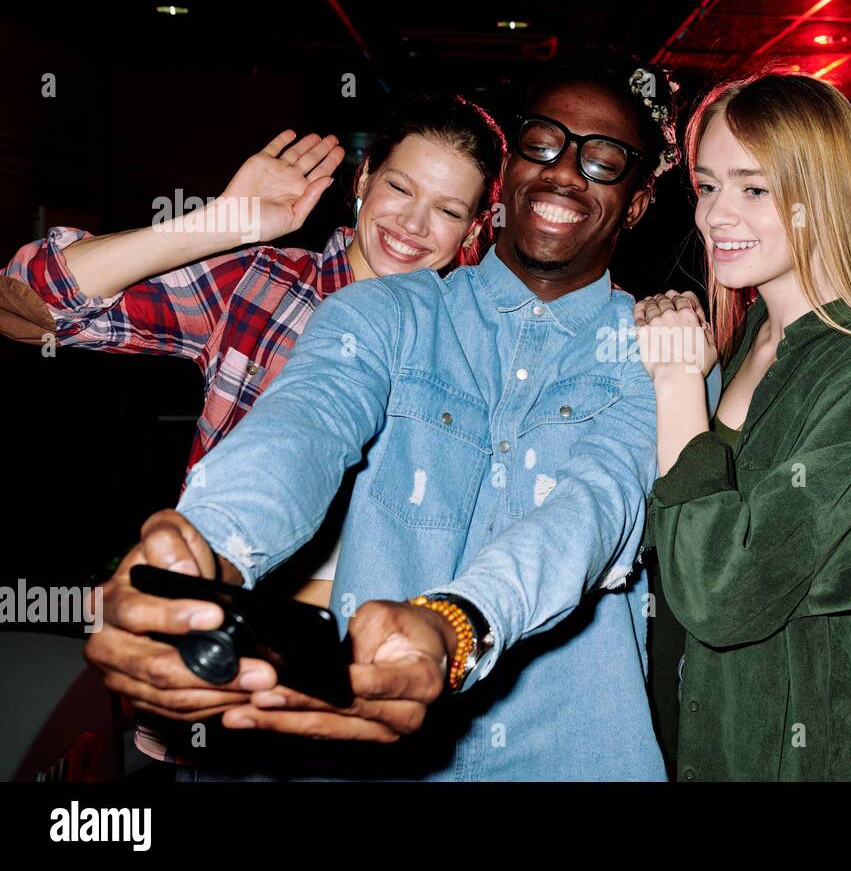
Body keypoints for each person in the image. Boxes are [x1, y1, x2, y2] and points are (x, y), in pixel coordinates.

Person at [83, 50, 723, 781]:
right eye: (543, 143)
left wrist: (454, 626)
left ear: (637, 204)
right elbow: (306, 425)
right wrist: (206, 548)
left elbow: (596, 504)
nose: (566, 171)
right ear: (508, 175)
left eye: (604, 159)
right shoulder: (384, 309)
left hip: (575, 752)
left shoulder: (661, 351)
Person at [0, 91, 506, 764]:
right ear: (362, 181)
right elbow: (32, 306)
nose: (413, 224)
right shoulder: (266, 286)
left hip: (373, 699)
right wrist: (223, 222)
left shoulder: (474, 342)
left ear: (474, 226)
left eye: (447, 209)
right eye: (399, 188)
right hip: (223, 684)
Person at [634, 72, 851, 781]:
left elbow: (720, 593)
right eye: (708, 185)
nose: (717, 215)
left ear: (822, 199)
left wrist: (680, 384)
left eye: (754, 189)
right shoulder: (751, 343)